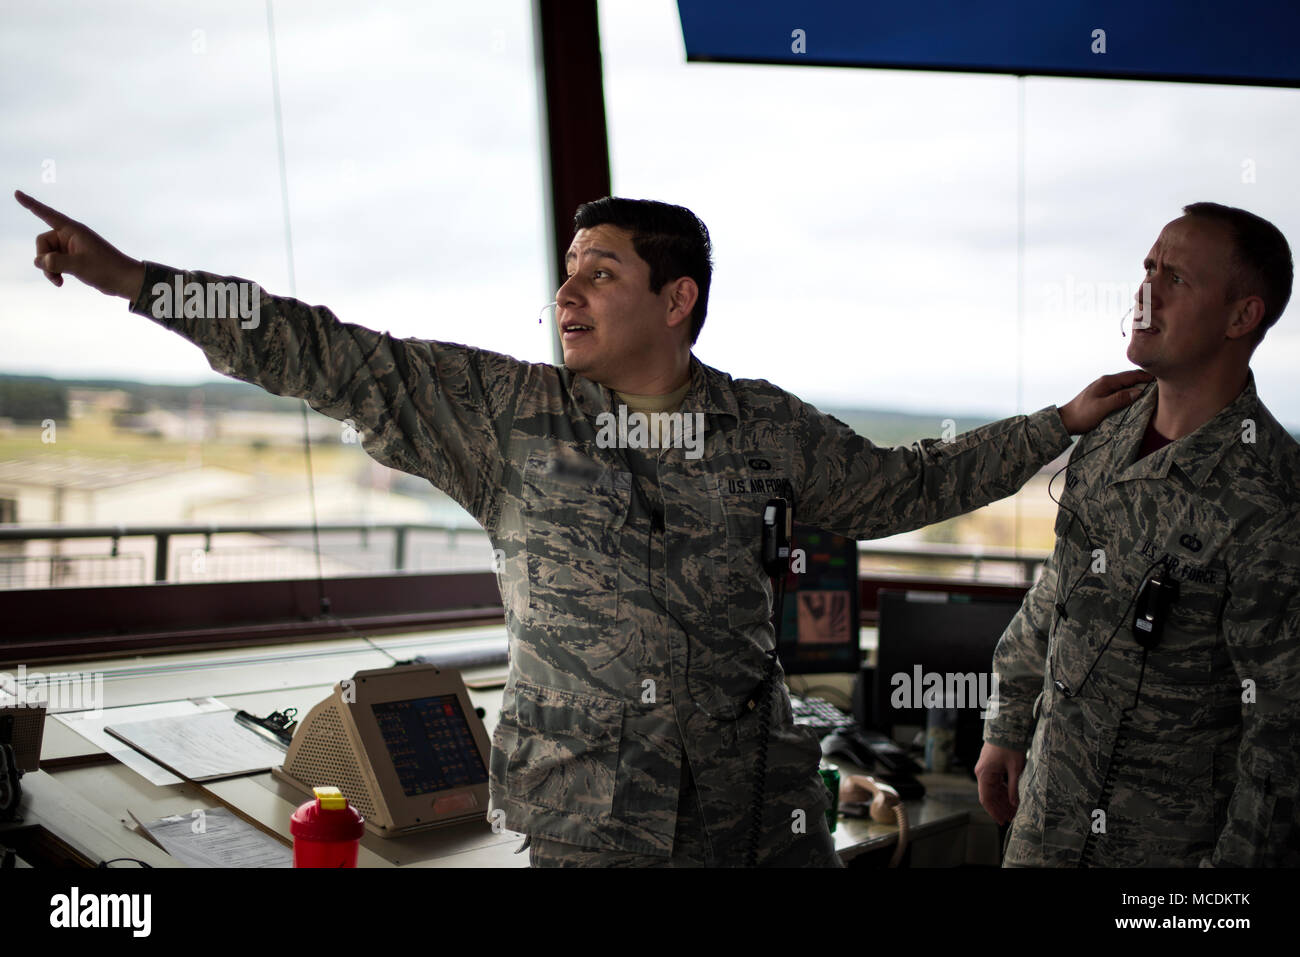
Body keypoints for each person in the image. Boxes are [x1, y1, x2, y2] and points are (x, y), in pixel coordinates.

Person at [15, 189, 1145, 866]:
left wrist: (1057, 422)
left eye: (599, 272)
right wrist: (131, 280)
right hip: (589, 820)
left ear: (676, 298)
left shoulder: (763, 427)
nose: (567, 293)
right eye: (564, 271)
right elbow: (312, 345)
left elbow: (907, 483)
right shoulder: (508, 415)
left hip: (752, 808)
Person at [976, 202, 1300, 867]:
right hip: (1045, 822)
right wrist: (1006, 723)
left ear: (1243, 316)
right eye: (1148, 267)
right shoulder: (1108, 427)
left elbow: (1281, 730)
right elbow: (1058, 593)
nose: (1144, 291)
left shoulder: (1271, 493)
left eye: (1176, 278)